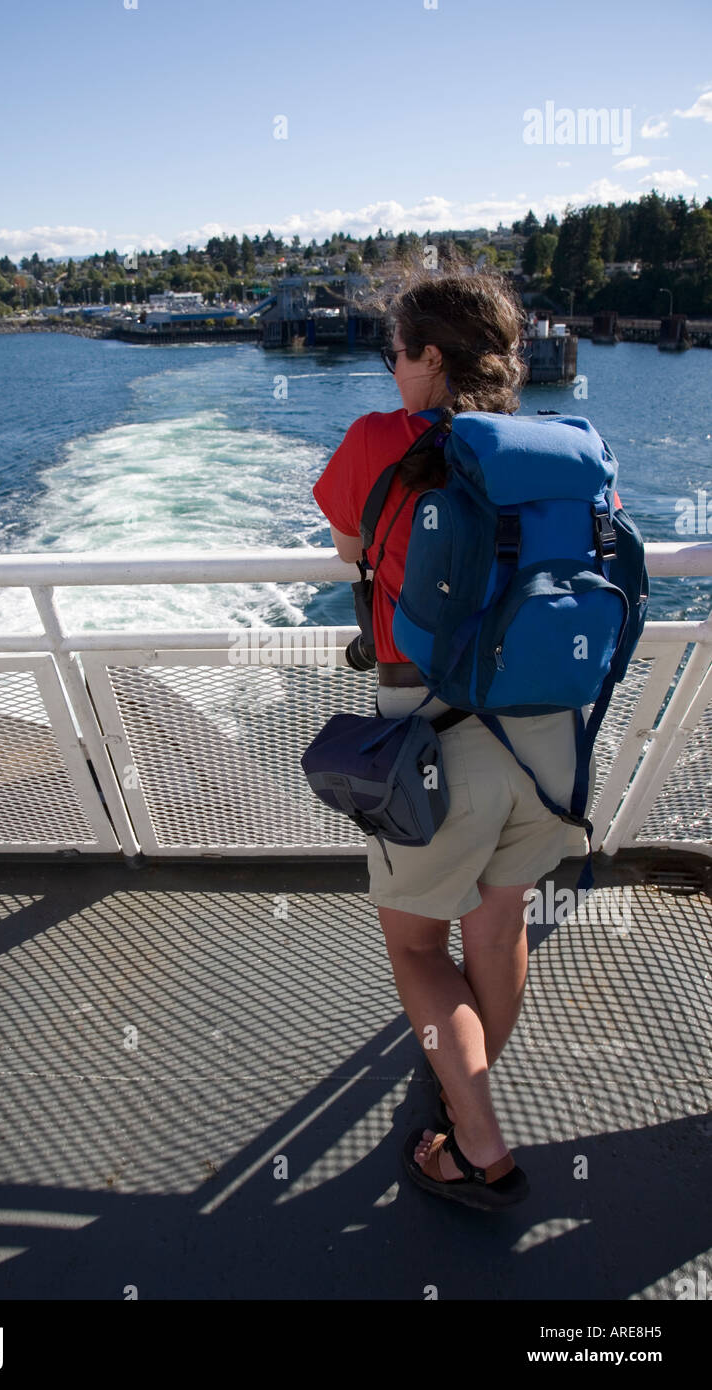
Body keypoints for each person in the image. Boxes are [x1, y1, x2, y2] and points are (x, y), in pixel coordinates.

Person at [312, 269, 613, 1210]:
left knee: (414, 951)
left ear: (431, 359)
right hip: (553, 738)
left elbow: (349, 549)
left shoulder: (377, 441)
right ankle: (463, 1080)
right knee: (500, 918)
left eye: (396, 352)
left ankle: (478, 1152)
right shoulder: (562, 447)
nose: (390, 368)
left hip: (438, 743)